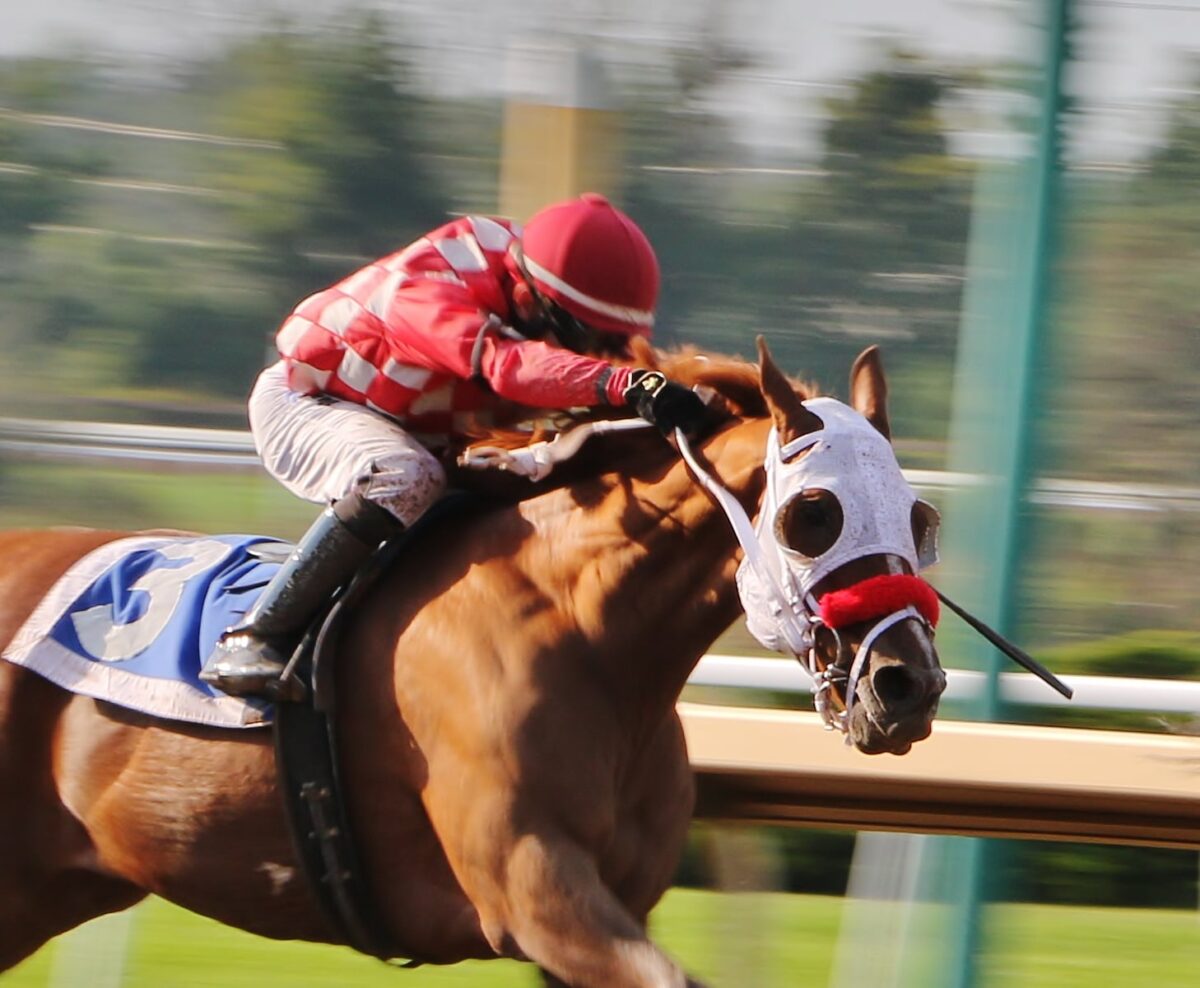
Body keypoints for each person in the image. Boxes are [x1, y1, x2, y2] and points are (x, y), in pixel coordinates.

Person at [200, 193, 709, 699]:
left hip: (414, 425)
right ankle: (257, 635)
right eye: (583, 339)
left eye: (606, 343)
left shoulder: (547, 285)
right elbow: (506, 366)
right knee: (404, 475)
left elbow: (631, 369)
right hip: (310, 399)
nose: (590, 355)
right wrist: (623, 384)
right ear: (532, 299)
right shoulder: (429, 290)